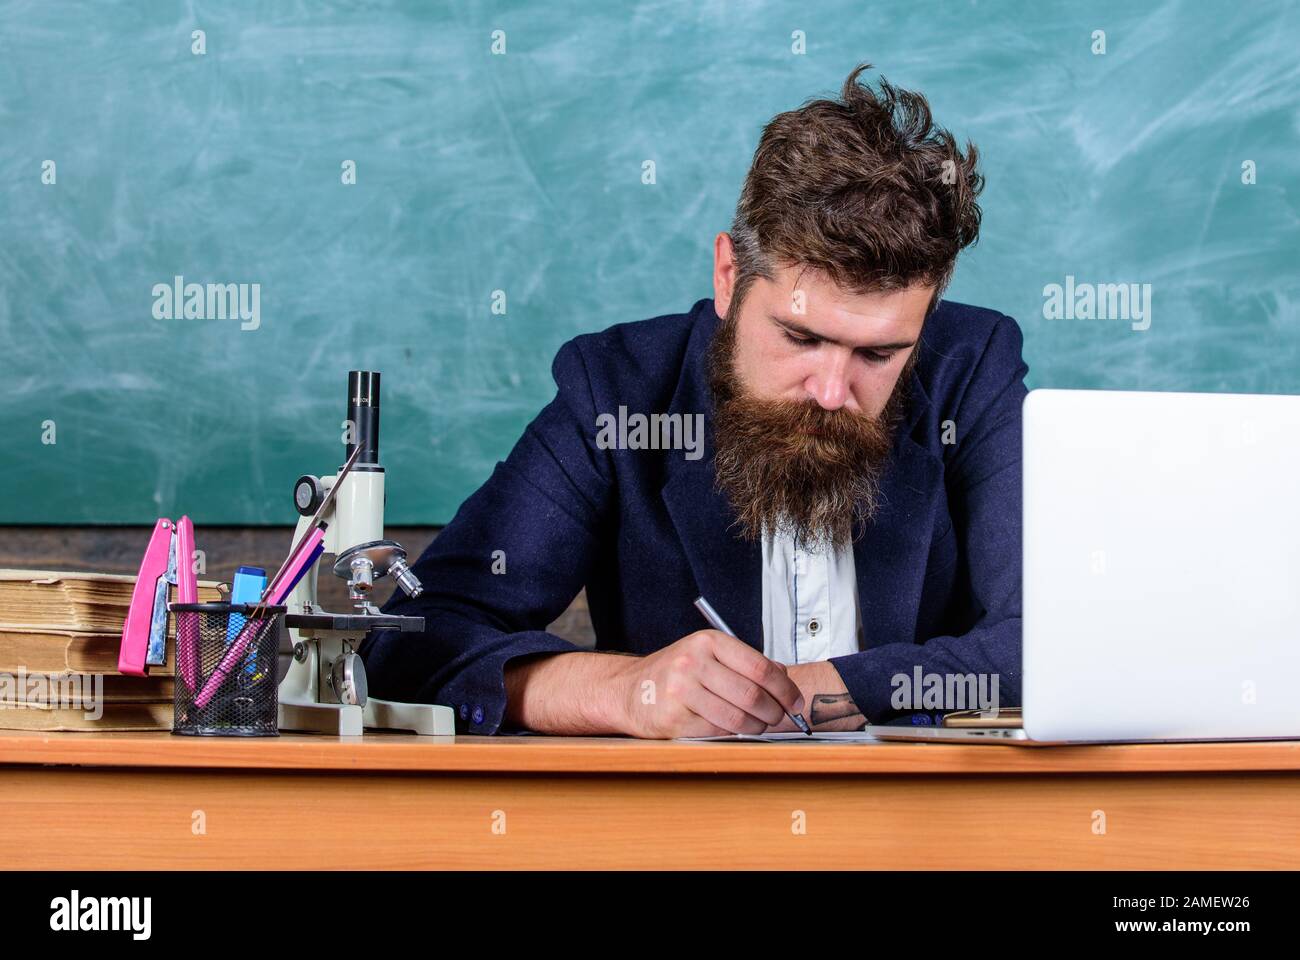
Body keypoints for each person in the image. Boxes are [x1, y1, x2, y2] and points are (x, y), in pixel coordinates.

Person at [361, 63, 1028, 738]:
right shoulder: (618, 394)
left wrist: (808, 697)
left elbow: (1053, 641)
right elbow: (412, 640)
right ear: (730, 275)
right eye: (800, 336)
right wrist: (622, 691)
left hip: (923, 829)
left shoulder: (971, 369)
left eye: (878, 355)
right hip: (679, 833)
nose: (832, 393)